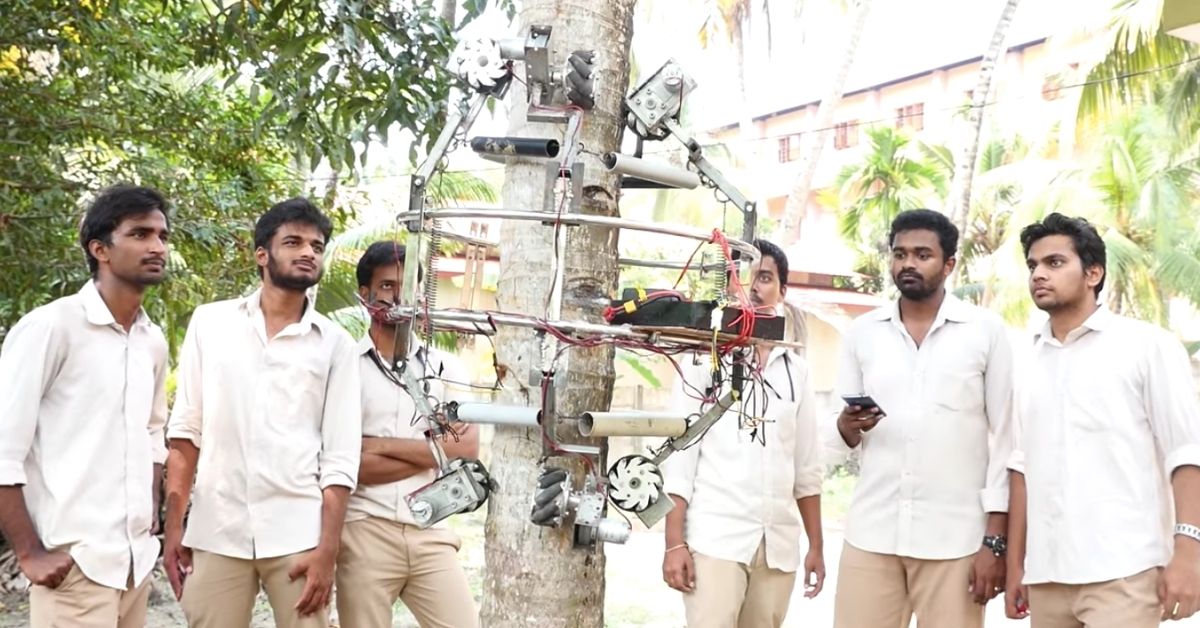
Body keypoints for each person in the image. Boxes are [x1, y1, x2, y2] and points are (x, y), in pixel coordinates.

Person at [162, 198, 362, 628]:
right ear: (262, 255)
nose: (308, 251)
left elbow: (341, 458)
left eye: (317, 245)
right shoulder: (210, 323)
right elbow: (185, 430)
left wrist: (327, 551)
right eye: (293, 242)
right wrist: (174, 527)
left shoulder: (336, 345)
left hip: (298, 534)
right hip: (217, 529)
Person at [1005, 213, 1200, 627]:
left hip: (1124, 571)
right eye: (1033, 265)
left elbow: (1186, 454)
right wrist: (1016, 564)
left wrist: (1190, 552)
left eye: (1055, 263)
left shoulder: (1147, 347)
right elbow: (1021, 468)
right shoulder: (1026, 360)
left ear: (1093, 273)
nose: (1039, 274)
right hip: (1048, 575)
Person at [829, 208, 1015, 628]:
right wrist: (846, 426)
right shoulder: (863, 333)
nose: (907, 263)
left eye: (922, 254)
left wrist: (995, 542)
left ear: (949, 264)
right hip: (872, 533)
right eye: (899, 254)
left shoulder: (985, 331)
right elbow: (836, 429)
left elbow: (1007, 439)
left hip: (956, 539)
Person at [0, 185, 171, 627]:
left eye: (162, 236)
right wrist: (29, 552)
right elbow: (3, 449)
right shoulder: (51, 327)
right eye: (140, 234)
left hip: (133, 564)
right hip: (74, 564)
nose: (156, 247)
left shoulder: (151, 340)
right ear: (100, 249)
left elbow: (154, 432)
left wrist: (148, 513)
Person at [661, 238, 825, 628]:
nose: (753, 287)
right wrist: (673, 544)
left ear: (783, 291)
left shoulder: (795, 370)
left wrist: (816, 544)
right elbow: (680, 458)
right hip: (717, 539)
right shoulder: (704, 359)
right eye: (744, 278)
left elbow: (806, 467)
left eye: (765, 277)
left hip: (777, 546)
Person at [335, 241, 481, 628]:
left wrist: (379, 445)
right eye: (386, 286)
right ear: (364, 296)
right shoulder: (344, 368)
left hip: (432, 531)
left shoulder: (444, 366)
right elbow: (349, 464)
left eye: (407, 286)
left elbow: (467, 447)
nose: (398, 296)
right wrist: (433, 451)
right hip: (365, 529)